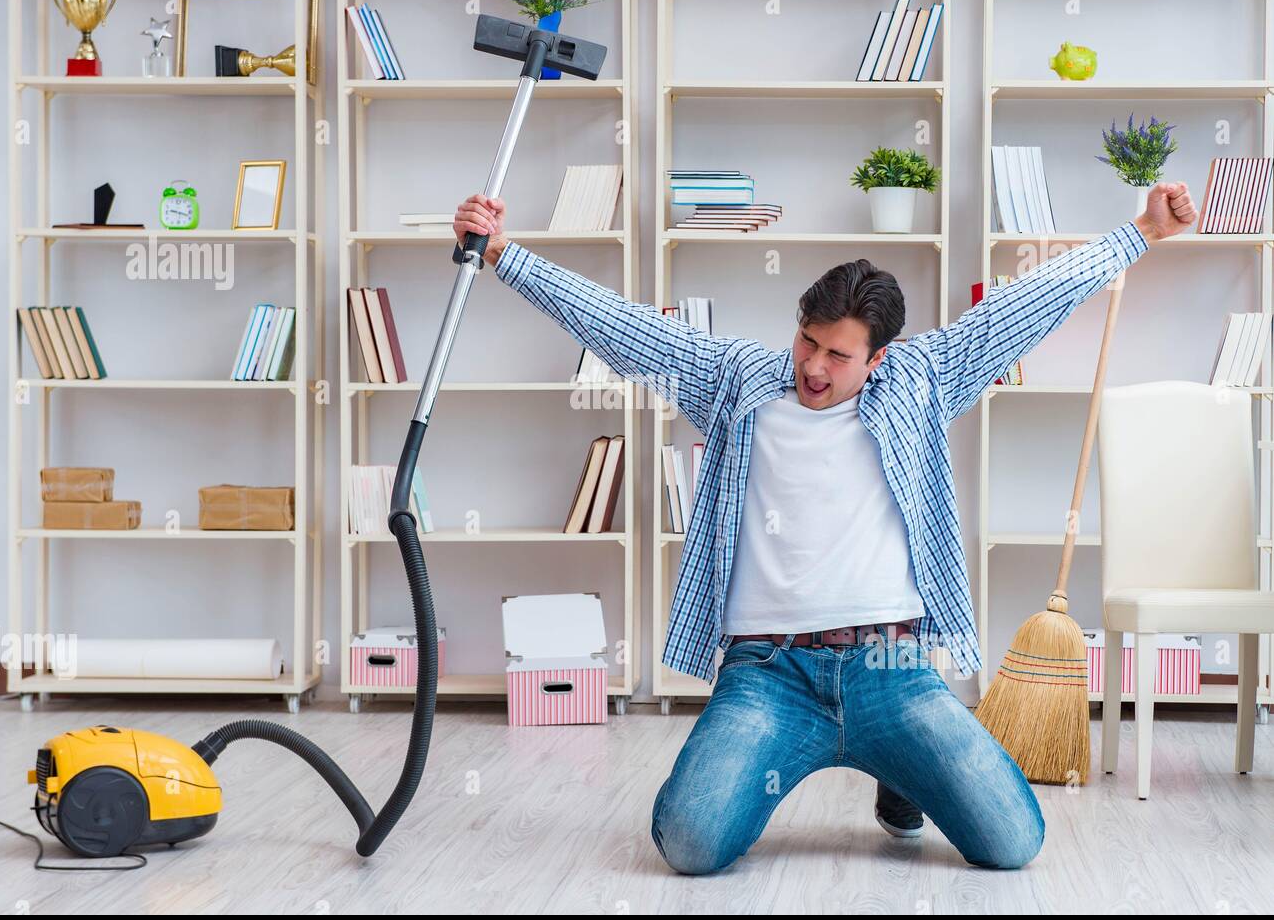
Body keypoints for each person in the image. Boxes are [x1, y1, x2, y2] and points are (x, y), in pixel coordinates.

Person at [453, 182, 1198, 872]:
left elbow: (1030, 302)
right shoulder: (739, 380)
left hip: (890, 670)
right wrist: (502, 256)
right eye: (807, 341)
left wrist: (1141, 232)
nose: (814, 366)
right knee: (688, 842)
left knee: (1013, 843)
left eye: (838, 355)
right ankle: (855, 760)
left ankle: (897, 769)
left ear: (877, 358)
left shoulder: (922, 379)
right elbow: (622, 328)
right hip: (768, 675)